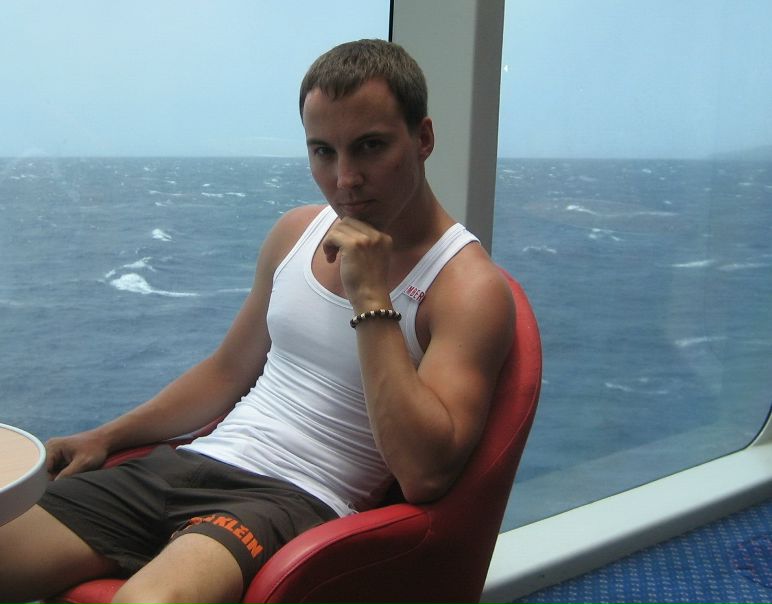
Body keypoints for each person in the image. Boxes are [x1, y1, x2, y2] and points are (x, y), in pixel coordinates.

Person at [0, 39, 514, 603]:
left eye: (370, 147)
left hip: (295, 499)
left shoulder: (467, 287)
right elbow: (226, 372)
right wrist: (106, 436)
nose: (345, 178)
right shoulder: (296, 232)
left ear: (423, 139)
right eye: (323, 151)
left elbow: (424, 473)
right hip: (197, 464)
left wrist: (369, 296)